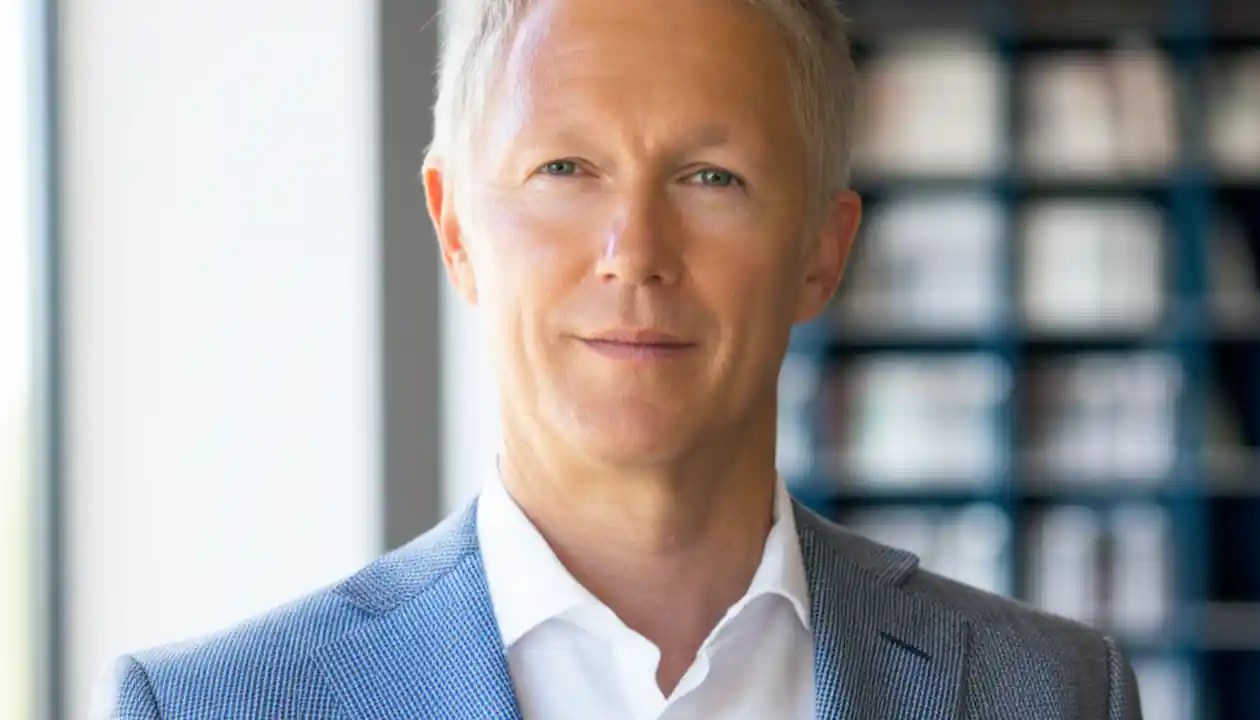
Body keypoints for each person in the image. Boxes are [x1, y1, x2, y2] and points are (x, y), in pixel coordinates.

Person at [97, 0, 1143, 717]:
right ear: (454, 227)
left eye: (710, 176)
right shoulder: (206, 708)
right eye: (565, 168)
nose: (634, 250)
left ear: (821, 252)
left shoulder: (1049, 695)